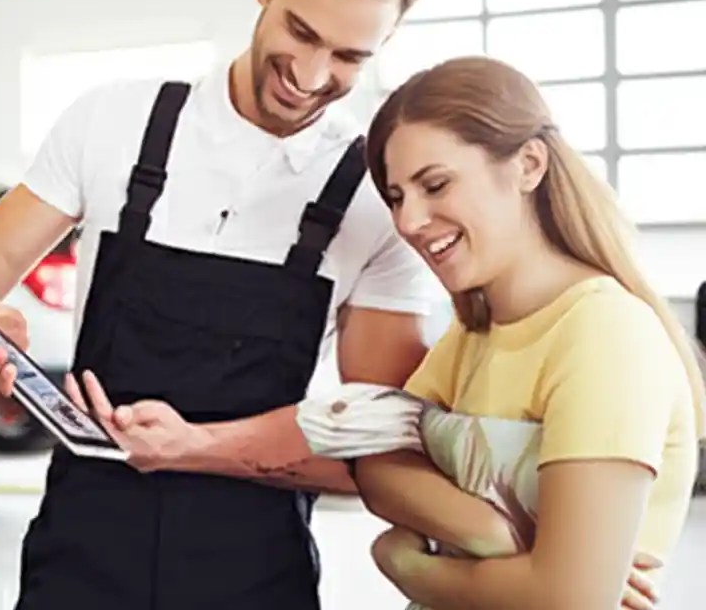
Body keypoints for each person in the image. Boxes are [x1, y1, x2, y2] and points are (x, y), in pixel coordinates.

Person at [0, 0, 436, 607]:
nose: (313, 74)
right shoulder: (112, 121)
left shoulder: (376, 200)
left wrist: (196, 447)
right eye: (301, 31)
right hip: (80, 556)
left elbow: (379, 453)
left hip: (255, 574)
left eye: (350, 56)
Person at [293, 56, 705, 610]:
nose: (409, 221)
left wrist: (405, 562)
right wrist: (490, 533)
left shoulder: (607, 333)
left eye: (434, 184)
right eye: (396, 197)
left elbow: (565, 599)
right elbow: (375, 458)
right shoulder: (471, 336)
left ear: (529, 165)